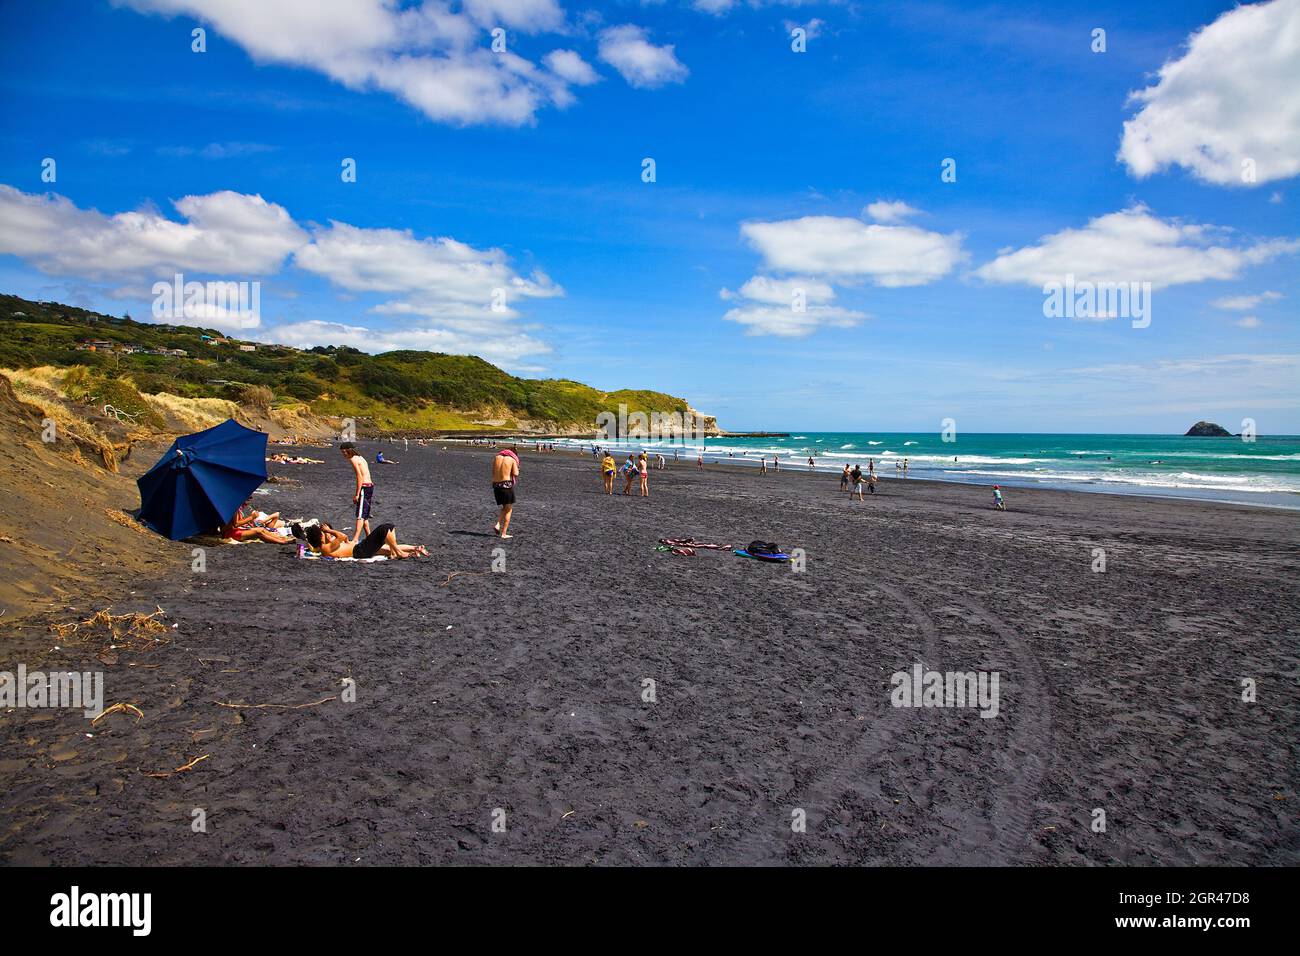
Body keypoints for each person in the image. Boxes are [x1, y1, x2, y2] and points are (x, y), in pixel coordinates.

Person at [303, 521, 427, 559]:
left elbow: (344, 538)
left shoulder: (322, 547)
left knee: (388, 546)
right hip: (360, 551)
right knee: (385, 528)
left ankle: (406, 551)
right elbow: (341, 536)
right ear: (320, 537)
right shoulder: (325, 548)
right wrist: (329, 531)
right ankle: (398, 553)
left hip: (360, 550)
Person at [340, 443, 374, 536]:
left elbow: (359, 477)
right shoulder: (361, 458)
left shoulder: (353, 459)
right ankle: (369, 537)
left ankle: (355, 539)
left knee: (360, 516)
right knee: (365, 515)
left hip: (365, 487)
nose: (343, 454)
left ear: (349, 450)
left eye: (344, 452)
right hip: (370, 486)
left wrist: (357, 494)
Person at [222, 503, 292, 544]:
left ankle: (282, 539)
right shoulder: (234, 508)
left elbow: (237, 522)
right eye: (248, 498)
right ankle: (282, 542)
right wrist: (252, 517)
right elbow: (236, 524)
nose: (248, 501)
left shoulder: (236, 507)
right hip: (230, 533)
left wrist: (248, 523)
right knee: (258, 532)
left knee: (261, 529)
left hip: (235, 530)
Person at [492, 449, 519, 538]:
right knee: (509, 509)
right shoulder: (512, 460)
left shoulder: (496, 458)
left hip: (496, 486)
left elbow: (494, 472)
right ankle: (503, 533)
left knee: (505, 507)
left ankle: (498, 524)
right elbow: (516, 473)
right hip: (506, 485)